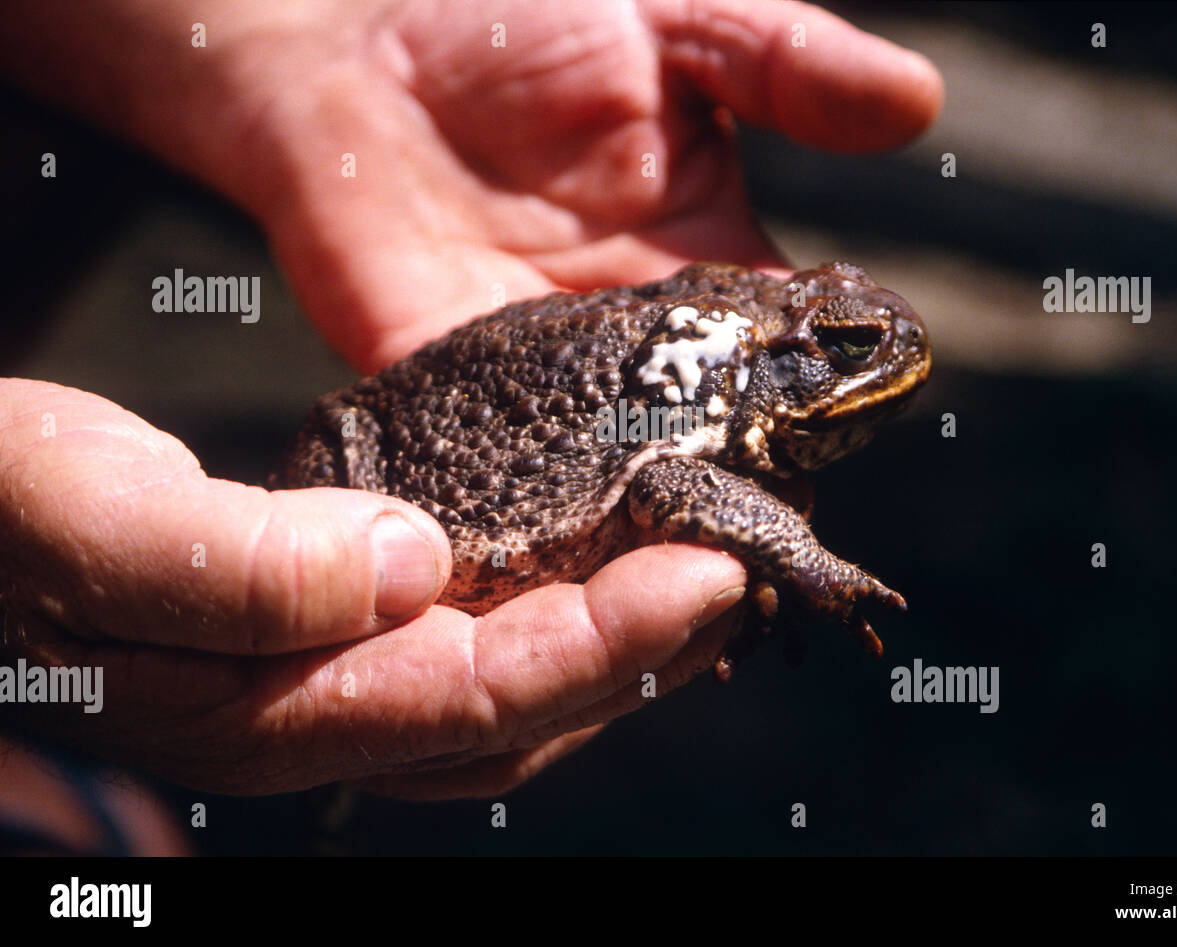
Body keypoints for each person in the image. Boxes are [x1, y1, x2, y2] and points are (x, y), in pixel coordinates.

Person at [0, 0, 941, 849]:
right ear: (774, 362)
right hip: (412, 473)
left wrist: (325, 42)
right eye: (851, 343)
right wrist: (804, 557)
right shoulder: (709, 392)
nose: (887, 349)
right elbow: (667, 482)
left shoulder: (715, 358)